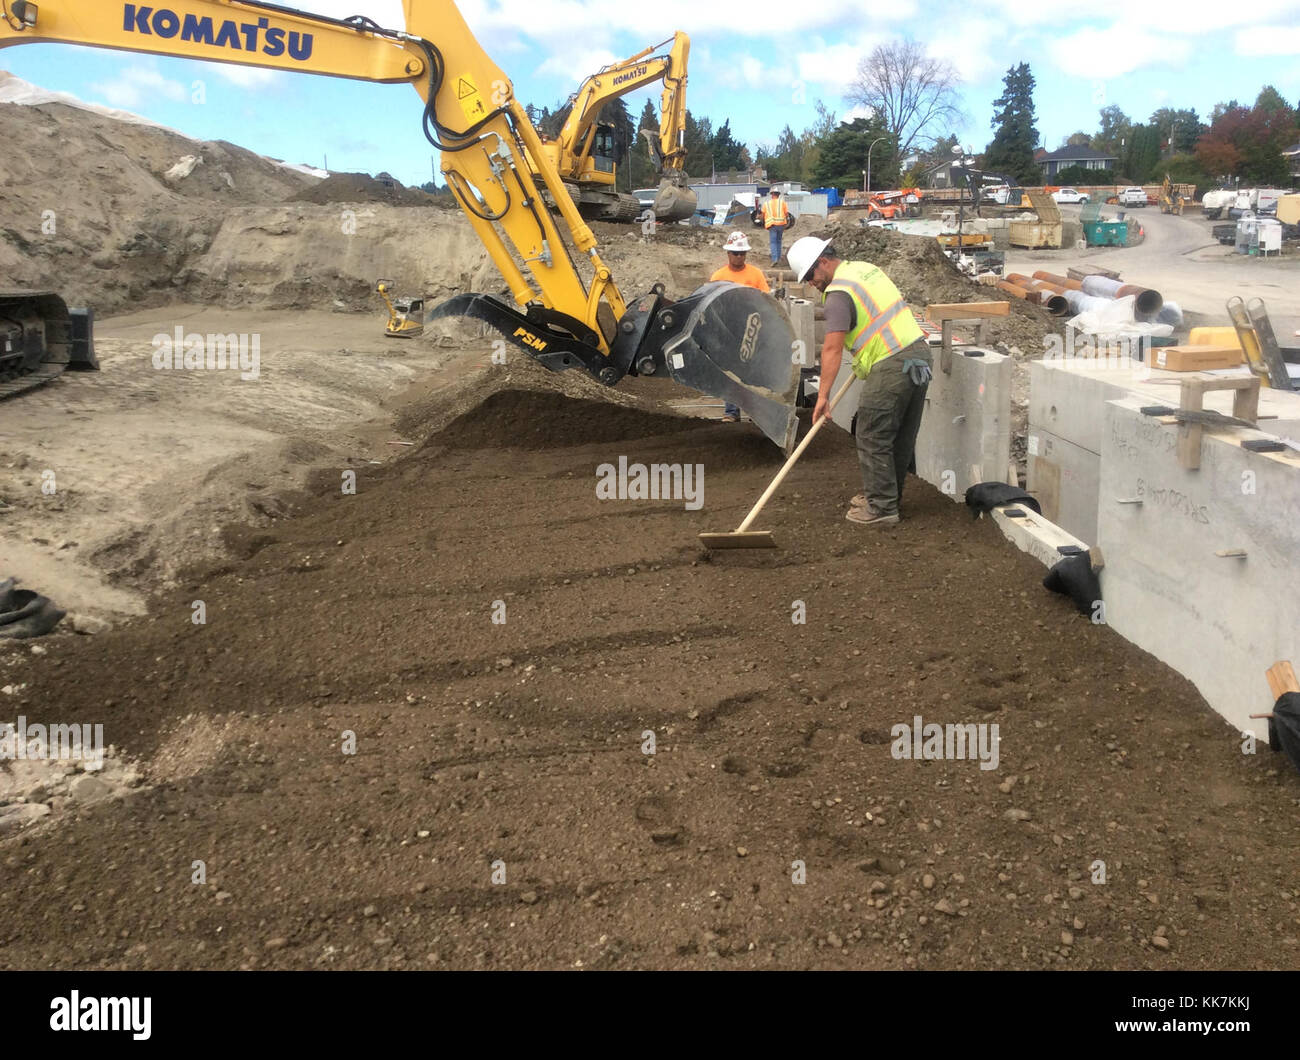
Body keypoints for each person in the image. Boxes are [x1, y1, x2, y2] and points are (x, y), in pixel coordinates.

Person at [787, 236, 933, 526]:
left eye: (811, 275)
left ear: (824, 262)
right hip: (918, 354)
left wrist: (823, 396)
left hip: (892, 363)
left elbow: (831, 347)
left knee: (871, 432)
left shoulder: (838, 294)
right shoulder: (864, 270)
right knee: (899, 435)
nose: (811, 283)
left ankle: (881, 507)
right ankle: (887, 496)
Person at [709, 231, 771, 422]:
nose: (739, 256)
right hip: (727, 329)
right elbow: (711, 303)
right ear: (728, 253)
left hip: (752, 327)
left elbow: (766, 299)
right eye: (736, 253)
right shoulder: (719, 276)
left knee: (753, 372)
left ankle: (755, 412)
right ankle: (731, 411)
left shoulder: (756, 274)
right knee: (731, 371)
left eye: (742, 253)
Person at [761, 187, 791, 266]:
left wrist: (761, 219)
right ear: (778, 195)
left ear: (772, 194)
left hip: (772, 225)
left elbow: (763, 215)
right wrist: (787, 221)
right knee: (778, 242)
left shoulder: (766, 204)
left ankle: (774, 259)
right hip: (781, 224)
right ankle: (778, 258)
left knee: (773, 242)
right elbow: (786, 214)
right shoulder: (782, 203)